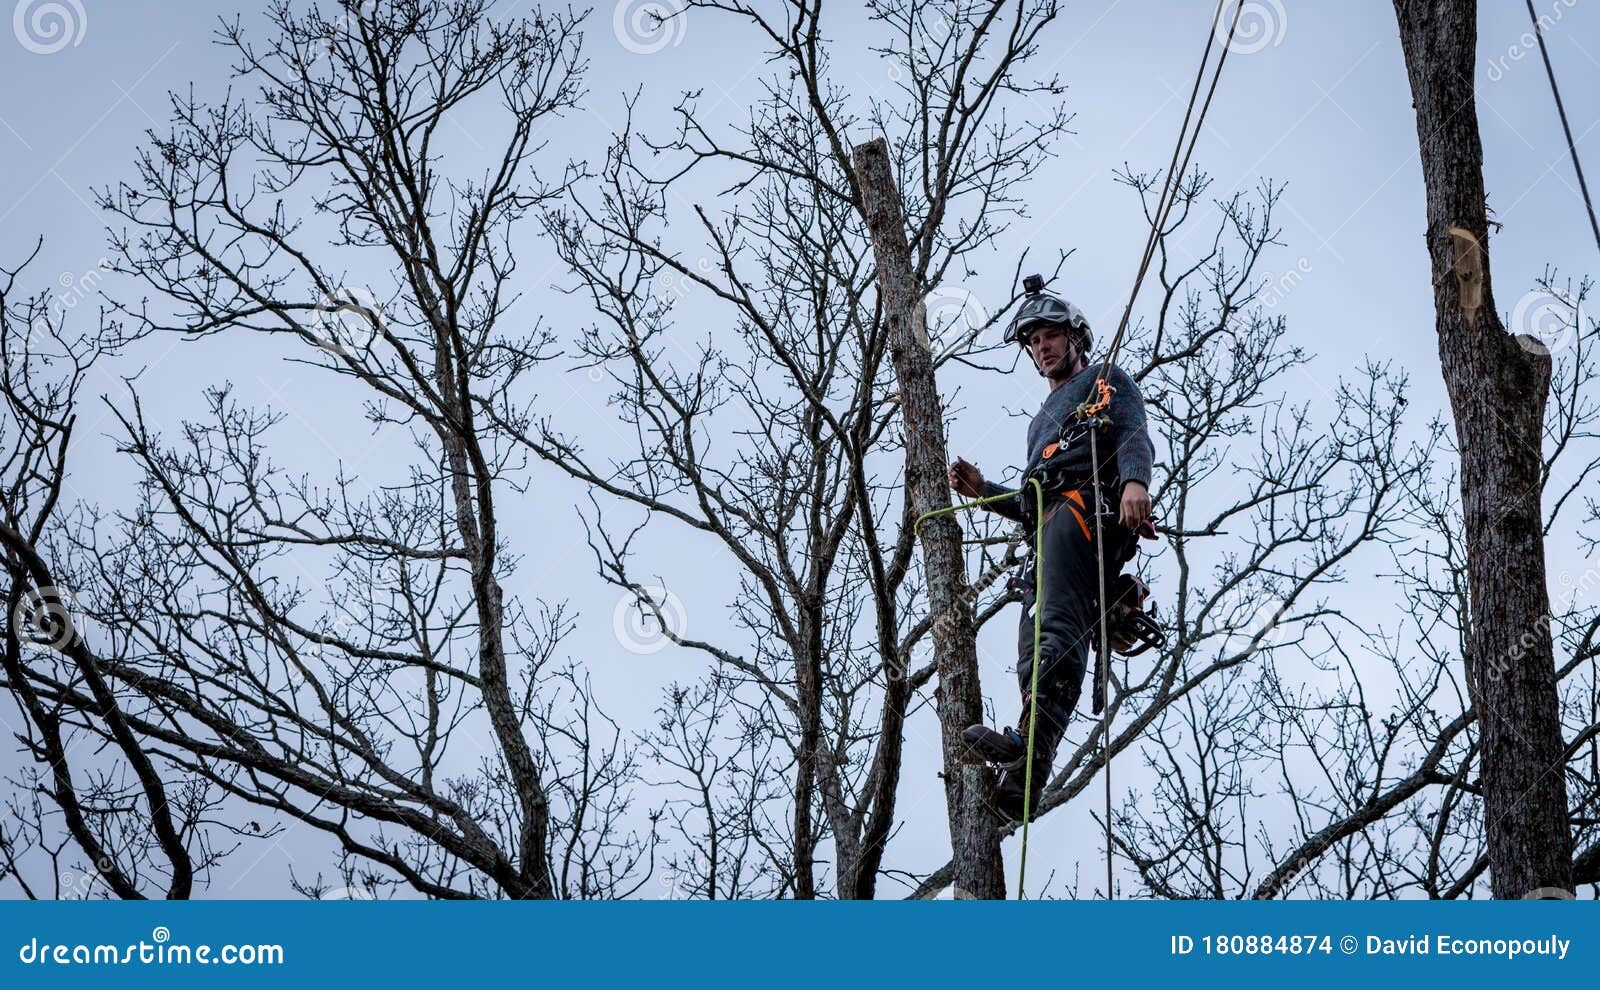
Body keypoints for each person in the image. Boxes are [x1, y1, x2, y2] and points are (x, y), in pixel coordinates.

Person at [947, 274, 1155, 822]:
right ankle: (1023, 783)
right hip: (1052, 527)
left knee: (1057, 624)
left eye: (1050, 336)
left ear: (1074, 336)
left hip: (1087, 516)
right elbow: (1033, 502)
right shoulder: (1041, 420)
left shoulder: (1105, 380)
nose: (1041, 347)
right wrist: (983, 492)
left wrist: (1135, 482)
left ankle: (1029, 743)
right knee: (1033, 633)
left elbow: (1133, 432)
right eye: (1033, 341)